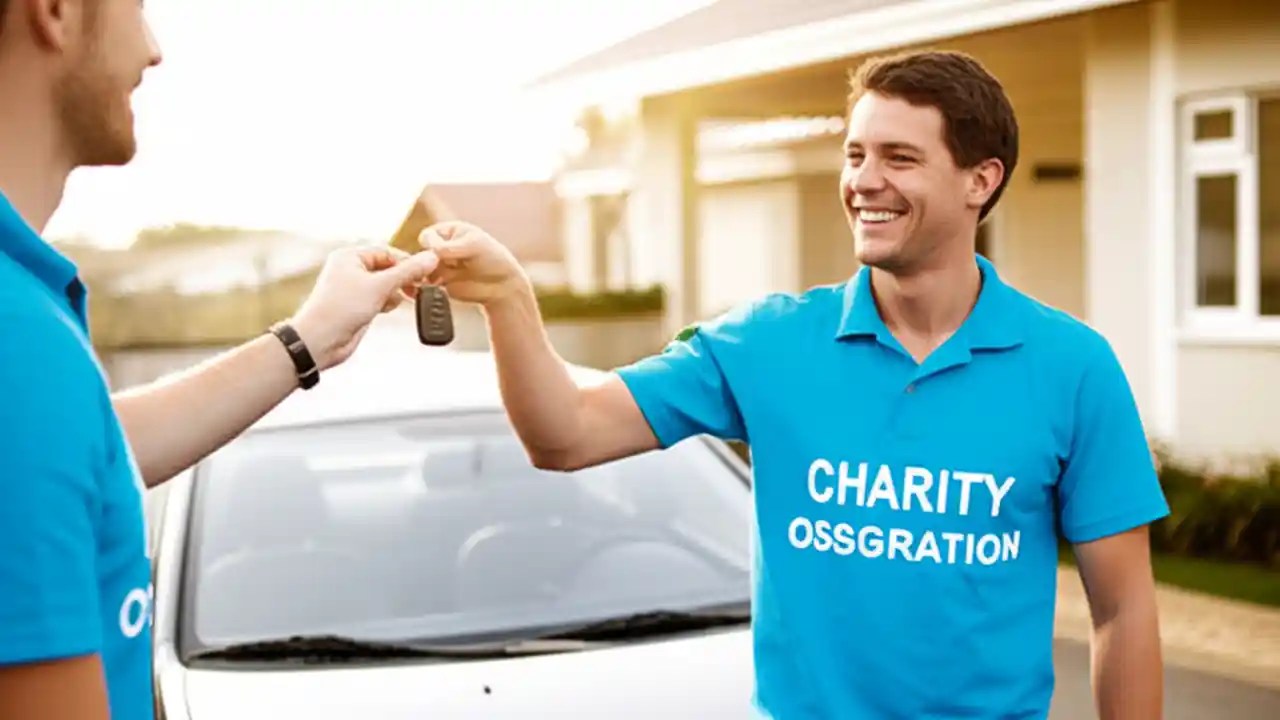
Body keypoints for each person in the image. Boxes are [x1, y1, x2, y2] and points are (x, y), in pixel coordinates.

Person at [418, 49, 1169, 719]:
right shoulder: (765, 344)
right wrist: (511, 297)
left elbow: (1123, 610)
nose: (864, 182)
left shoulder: (1072, 367)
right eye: (855, 154)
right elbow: (566, 433)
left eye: (899, 158)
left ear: (981, 179)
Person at [0, 2, 438, 719]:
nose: (153, 49)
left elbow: (83, 450)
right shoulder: (17, 344)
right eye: (136, 9)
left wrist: (310, 337)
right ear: (54, 10)